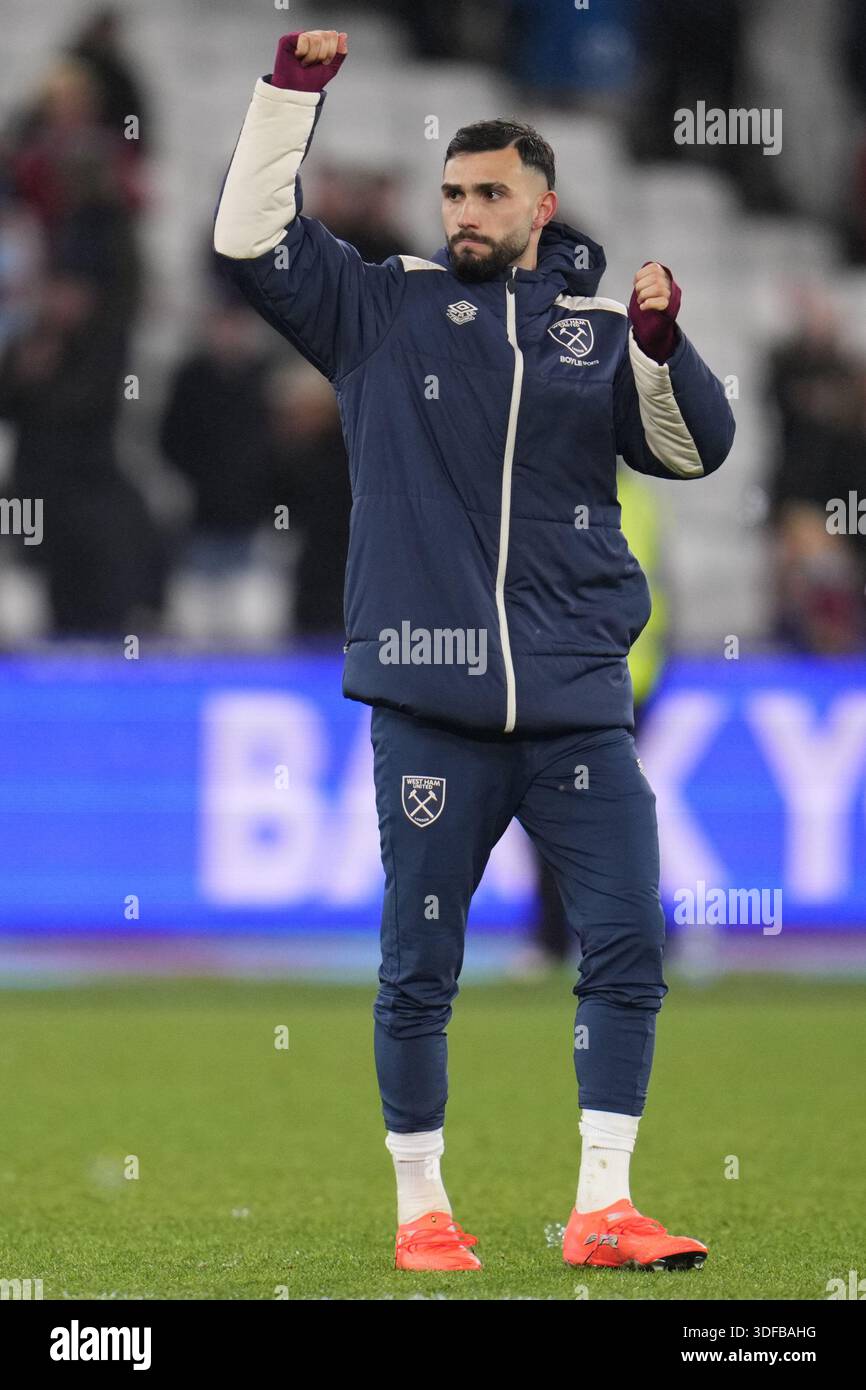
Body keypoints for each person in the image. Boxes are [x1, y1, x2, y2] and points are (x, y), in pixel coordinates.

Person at [213, 28, 735, 1273]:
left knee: (623, 949)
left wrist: (661, 351)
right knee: (419, 967)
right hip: (430, 705)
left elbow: (688, 448)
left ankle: (602, 1206)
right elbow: (246, 238)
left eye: (488, 193)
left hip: (574, 704)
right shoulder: (378, 309)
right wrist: (291, 92)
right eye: (451, 191)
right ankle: (421, 1211)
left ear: (538, 206)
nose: (463, 210)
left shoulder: (598, 330)